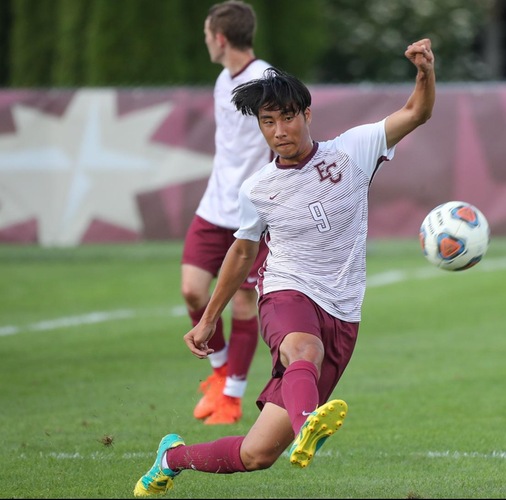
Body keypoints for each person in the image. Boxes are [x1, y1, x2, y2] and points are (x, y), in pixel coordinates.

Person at [133, 38, 436, 496]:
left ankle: (171, 458)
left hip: (344, 312)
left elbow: (417, 112)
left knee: (255, 455)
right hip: (286, 293)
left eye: (287, 117)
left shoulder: (352, 150)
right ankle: (308, 421)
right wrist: (210, 317)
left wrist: (424, 72)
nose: (278, 130)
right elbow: (241, 252)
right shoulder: (258, 188)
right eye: (267, 122)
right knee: (302, 350)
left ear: (307, 115)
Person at [181, 0, 273, 426]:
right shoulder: (223, 80)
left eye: (205, 34)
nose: (205, 41)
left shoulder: (267, 80)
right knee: (193, 291)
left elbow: (285, 136)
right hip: (213, 205)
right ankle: (219, 375)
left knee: (241, 301)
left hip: (250, 214)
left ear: (220, 38)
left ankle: (232, 398)